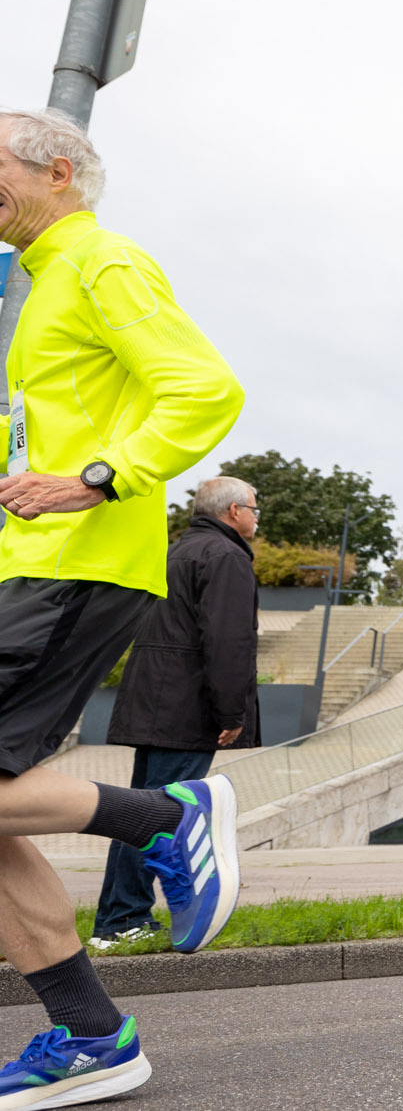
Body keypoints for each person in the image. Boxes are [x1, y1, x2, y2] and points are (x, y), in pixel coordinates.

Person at [0, 108, 247, 1106]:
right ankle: (92, 1032)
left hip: (77, 561)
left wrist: (101, 476)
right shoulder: (40, 283)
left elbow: (202, 388)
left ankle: (164, 816)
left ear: (58, 171)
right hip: (38, 562)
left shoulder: (102, 264)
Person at [91, 477, 262, 946]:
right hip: (187, 708)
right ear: (232, 512)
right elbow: (228, 640)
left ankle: (118, 919)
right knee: (160, 815)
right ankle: (123, 920)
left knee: (140, 812)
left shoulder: (177, 551)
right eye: (253, 509)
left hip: (158, 701)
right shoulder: (225, 557)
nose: (255, 518)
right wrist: (231, 712)